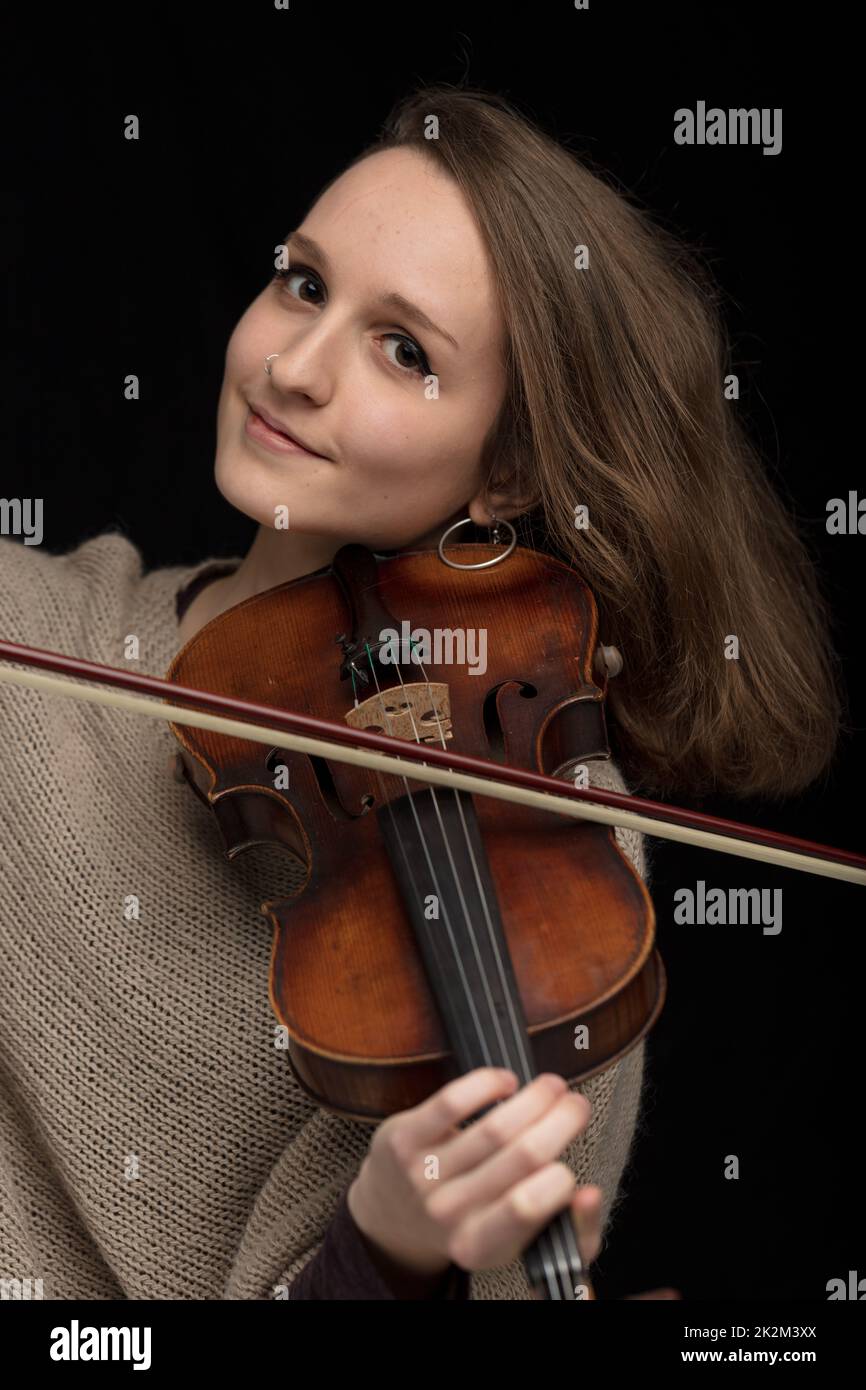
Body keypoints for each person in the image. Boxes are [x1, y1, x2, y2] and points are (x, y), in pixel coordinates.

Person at [0, 83, 839, 1301]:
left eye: (404, 351)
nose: (294, 367)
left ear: (504, 469)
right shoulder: (35, 634)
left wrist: (381, 1247)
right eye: (301, 284)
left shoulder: (551, 857)